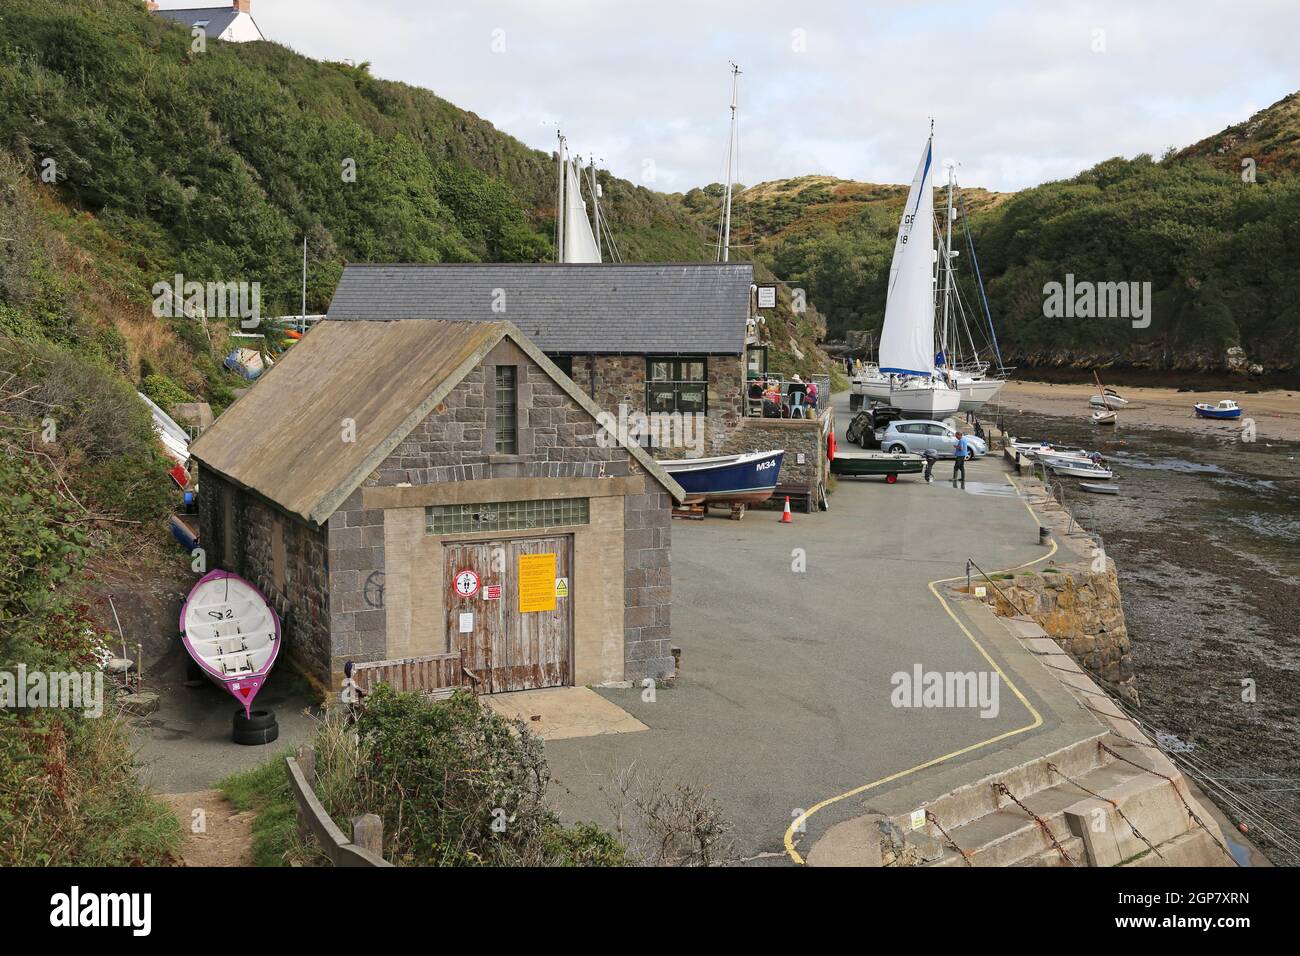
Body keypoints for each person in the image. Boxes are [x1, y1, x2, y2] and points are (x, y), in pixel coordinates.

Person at [340, 660, 367, 724]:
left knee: (353, 711)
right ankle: (353, 721)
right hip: (354, 701)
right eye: (353, 669)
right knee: (355, 711)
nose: (355, 671)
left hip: (353, 700)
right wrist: (362, 690)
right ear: (349, 671)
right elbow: (356, 688)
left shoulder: (351, 680)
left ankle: (351, 721)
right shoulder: (350, 680)